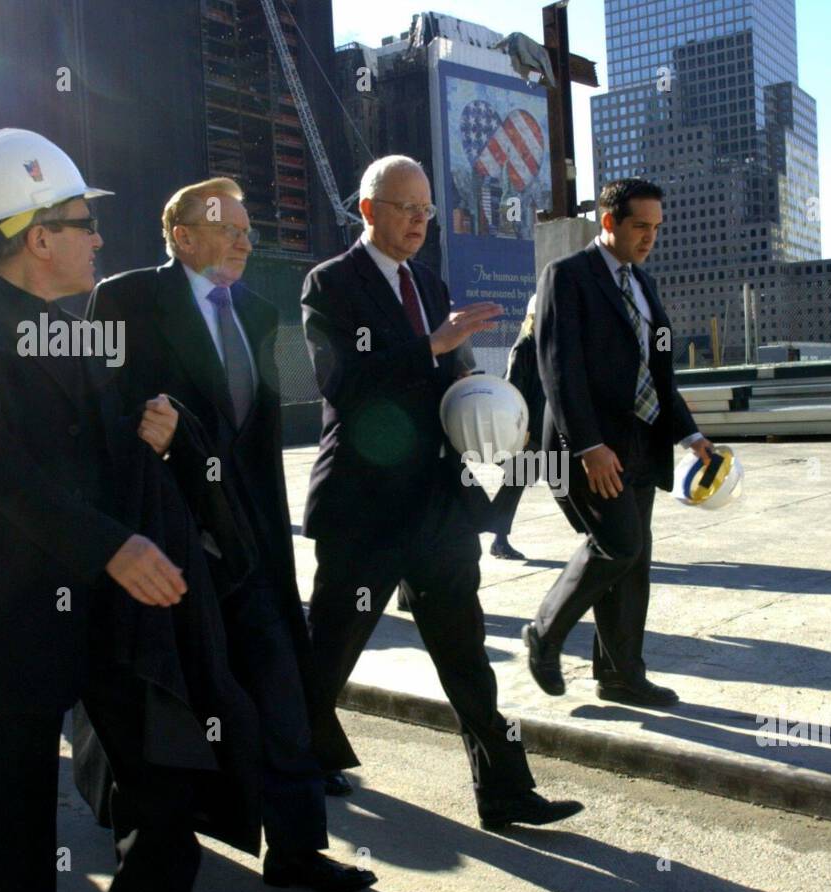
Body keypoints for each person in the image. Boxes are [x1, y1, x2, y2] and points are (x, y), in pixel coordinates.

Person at [0, 128, 210, 892]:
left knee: (171, 804)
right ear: (38, 237)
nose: (100, 238)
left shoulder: (83, 332)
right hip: (1, 633)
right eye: (85, 223)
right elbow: (2, 473)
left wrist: (147, 433)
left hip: (103, 623)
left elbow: (96, 455)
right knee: (12, 864)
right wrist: (113, 546)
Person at [88, 177, 374, 892]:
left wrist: (273, 543)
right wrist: (145, 432)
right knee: (172, 695)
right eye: (229, 227)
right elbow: (97, 413)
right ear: (182, 237)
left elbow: (259, 441)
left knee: (280, 683)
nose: (246, 240)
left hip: (244, 541)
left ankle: (298, 849)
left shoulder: (258, 310)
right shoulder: (125, 300)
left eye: (250, 228)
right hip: (166, 541)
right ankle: (152, 834)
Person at [301, 154, 583, 831]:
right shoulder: (329, 284)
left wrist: (483, 403)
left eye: (426, 209)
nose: (419, 220)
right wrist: (431, 346)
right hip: (362, 509)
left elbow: (443, 379)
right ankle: (291, 771)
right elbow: (342, 384)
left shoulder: (429, 282)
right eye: (405, 207)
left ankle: (506, 793)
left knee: (467, 659)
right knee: (326, 657)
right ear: (368, 210)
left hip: (436, 508)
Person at [524, 178, 714, 708]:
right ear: (609, 222)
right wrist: (587, 446)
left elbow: (660, 373)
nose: (650, 237)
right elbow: (559, 370)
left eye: (656, 228)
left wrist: (691, 435)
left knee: (634, 561)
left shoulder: (644, 285)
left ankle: (621, 675)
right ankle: (544, 632)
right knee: (619, 544)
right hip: (586, 451)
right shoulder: (566, 277)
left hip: (639, 444)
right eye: (640, 227)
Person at [487, 294, 545, 561]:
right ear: (533, 318)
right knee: (516, 482)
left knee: (517, 482)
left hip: (542, 427)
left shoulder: (544, 345)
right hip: (528, 430)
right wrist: (521, 430)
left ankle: (493, 529)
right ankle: (496, 534)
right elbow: (513, 390)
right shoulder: (525, 346)